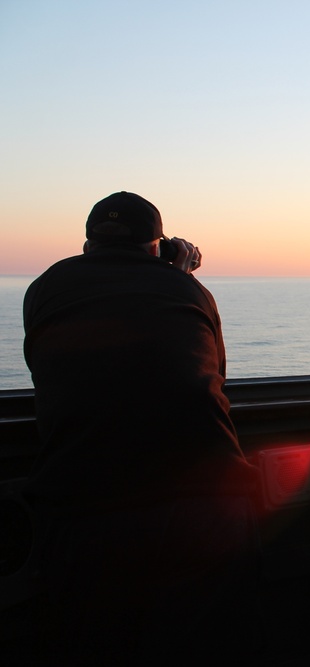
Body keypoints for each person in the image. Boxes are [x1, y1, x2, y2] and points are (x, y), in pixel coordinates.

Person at [22, 192, 261, 665]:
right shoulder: (190, 291)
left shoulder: (45, 287)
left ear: (88, 244)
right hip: (202, 501)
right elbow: (215, 379)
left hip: (83, 509)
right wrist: (178, 275)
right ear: (157, 245)